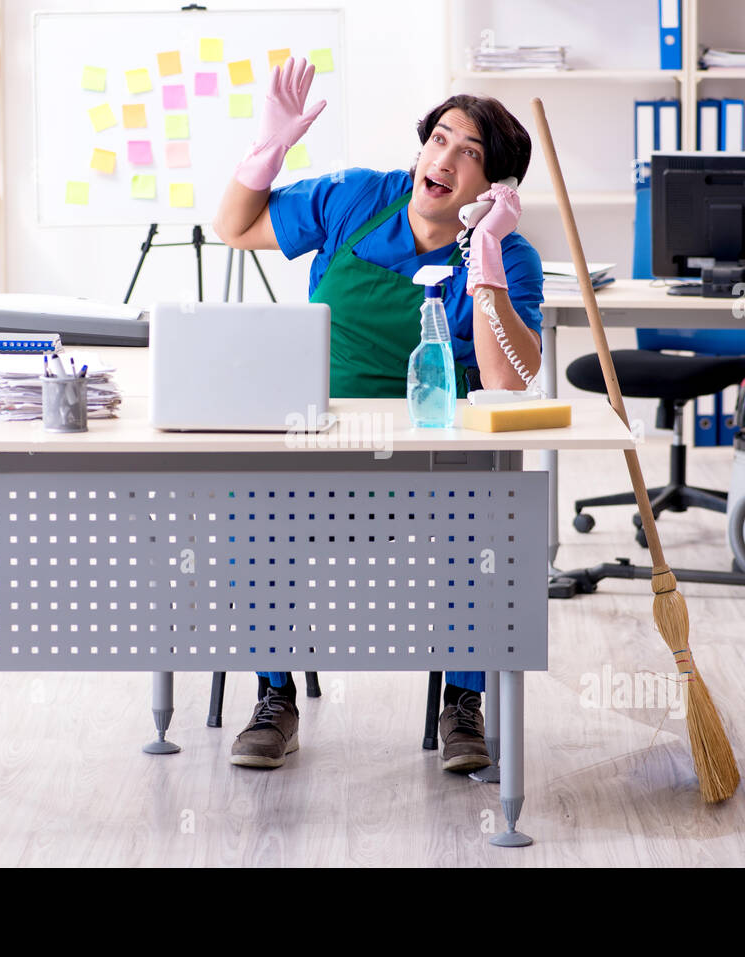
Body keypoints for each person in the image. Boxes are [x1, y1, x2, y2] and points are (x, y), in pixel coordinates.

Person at [211, 57, 543, 773]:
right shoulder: (358, 199)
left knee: (488, 517)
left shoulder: (510, 256)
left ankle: (464, 700)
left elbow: (505, 377)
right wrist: (266, 149)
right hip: (315, 440)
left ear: (495, 186)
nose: (447, 159)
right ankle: (275, 696)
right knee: (249, 510)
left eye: (472, 153)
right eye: (441, 140)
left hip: (432, 460)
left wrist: (482, 250)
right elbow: (234, 228)